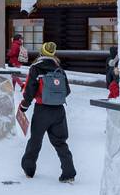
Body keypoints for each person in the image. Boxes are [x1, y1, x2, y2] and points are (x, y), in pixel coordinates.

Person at [17, 41, 76, 183]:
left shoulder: (36, 68)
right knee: (61, 142)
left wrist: (24, 106)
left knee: (35, 140)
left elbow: (30, 90)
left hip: (42, 110)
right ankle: (69, 174)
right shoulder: (59, 69)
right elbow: (67, 91)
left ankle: (29, 170)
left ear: (41, 53)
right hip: (59, 110)